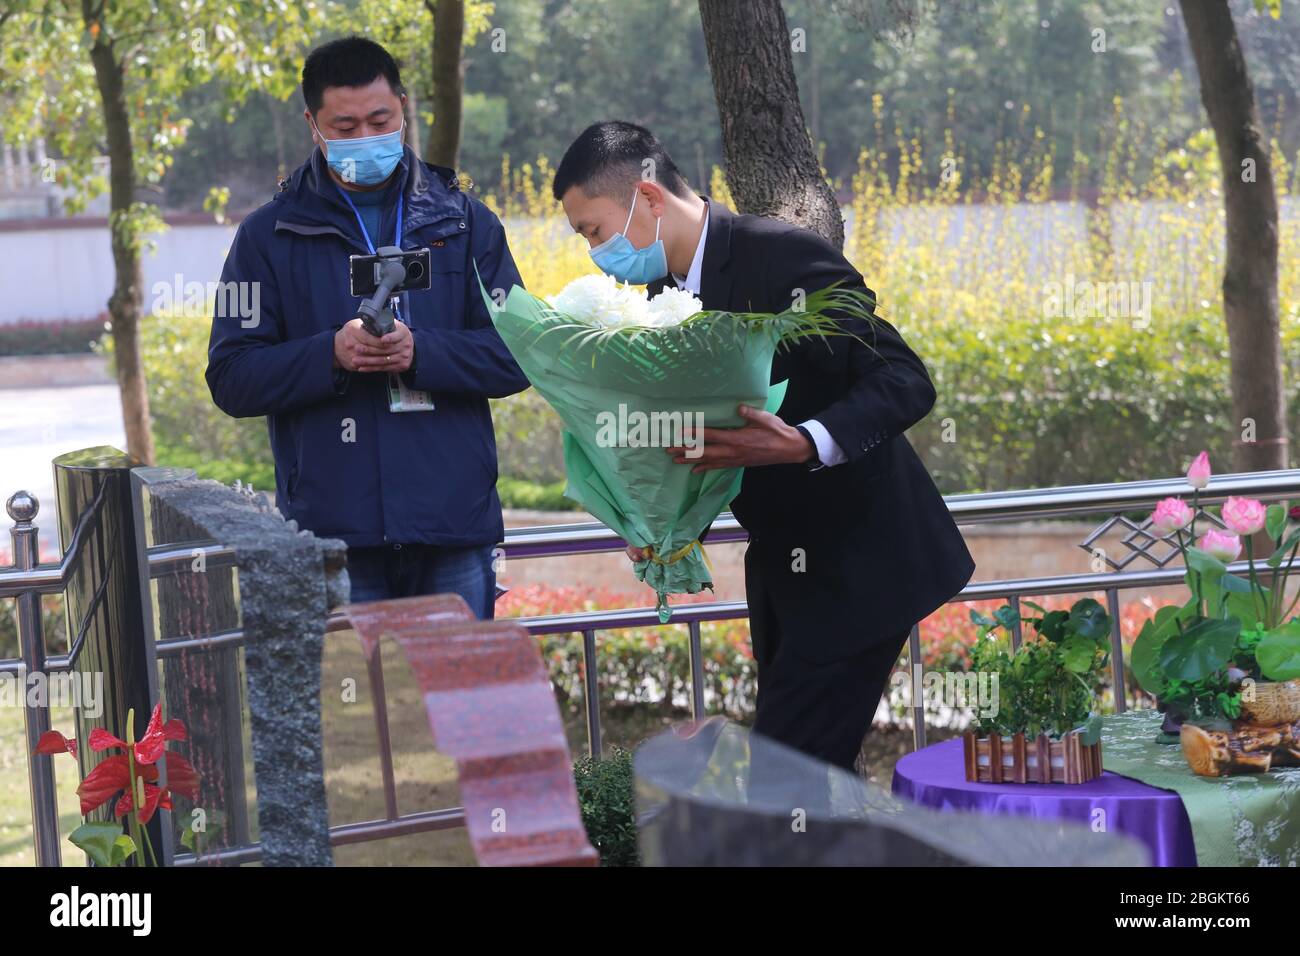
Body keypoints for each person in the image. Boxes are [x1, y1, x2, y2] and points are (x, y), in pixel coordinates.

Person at [553, 120, 976, 799]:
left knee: (781, 791)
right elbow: (714, 438)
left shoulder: (781, 257)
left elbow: (903, 379)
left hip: (865, 566)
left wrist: (804, 440)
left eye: (594, 231)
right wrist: (661, 523)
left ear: (648, 198)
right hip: (786, 574)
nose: (596, 254)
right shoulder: (660, 301)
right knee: (806, 786)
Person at [206, 37, 529, 618]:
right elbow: (231, 376)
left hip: (452, 526)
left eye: (379, 121)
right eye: (345, 126)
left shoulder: (464, 221)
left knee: (456, 705)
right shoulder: (268, 237)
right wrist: (329, 354)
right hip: (335, 536)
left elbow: (520, 354)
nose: (364, 139)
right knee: (357, 707)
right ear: (313, 124)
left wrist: (421, 352)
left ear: (403, 107)